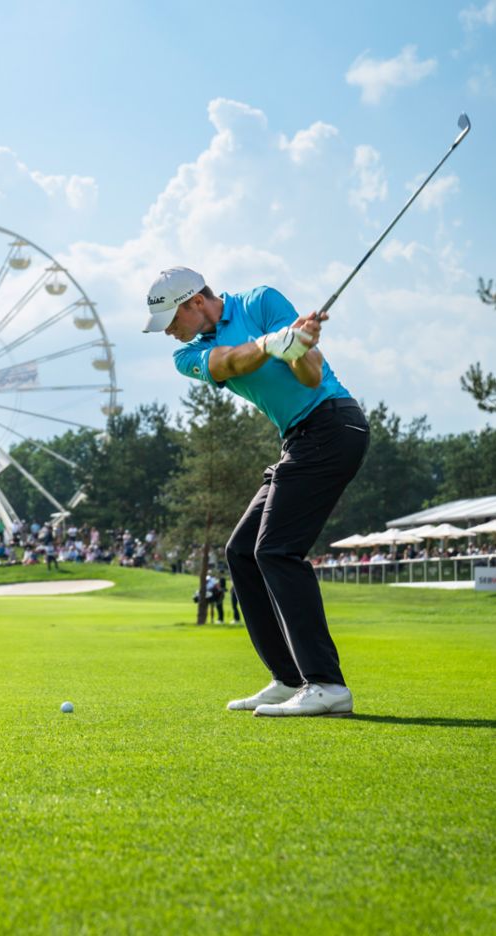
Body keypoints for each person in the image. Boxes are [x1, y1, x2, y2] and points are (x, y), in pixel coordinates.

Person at [145, 267, 367, 717]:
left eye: (171, 319)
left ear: (195, 302)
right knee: (243, 552)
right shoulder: (188, 354)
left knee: (277, 551)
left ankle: (326, 683)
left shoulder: (261, 301)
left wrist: (298, 346)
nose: (168, 331)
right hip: (300, 439)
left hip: (332, 424)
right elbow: (229, 363)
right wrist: (271, 344)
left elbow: (311, 377)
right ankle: (289, 679)